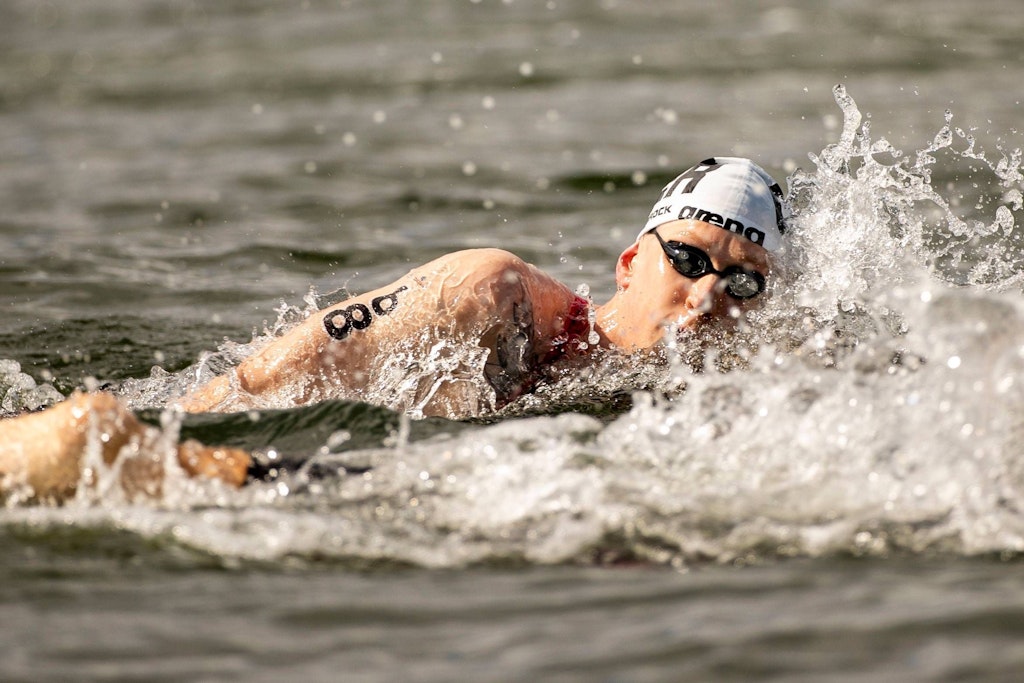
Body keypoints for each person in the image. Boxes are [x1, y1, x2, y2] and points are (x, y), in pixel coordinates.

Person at [0, 156, 789, 502]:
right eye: (688, 256)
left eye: (744, 280)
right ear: (628, 262)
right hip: (281, 461)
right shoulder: (497, 299)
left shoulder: (735, 392)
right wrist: (159, 447)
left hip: (377, 490)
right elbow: (263, 381)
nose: (710, 291)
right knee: (90, 438)